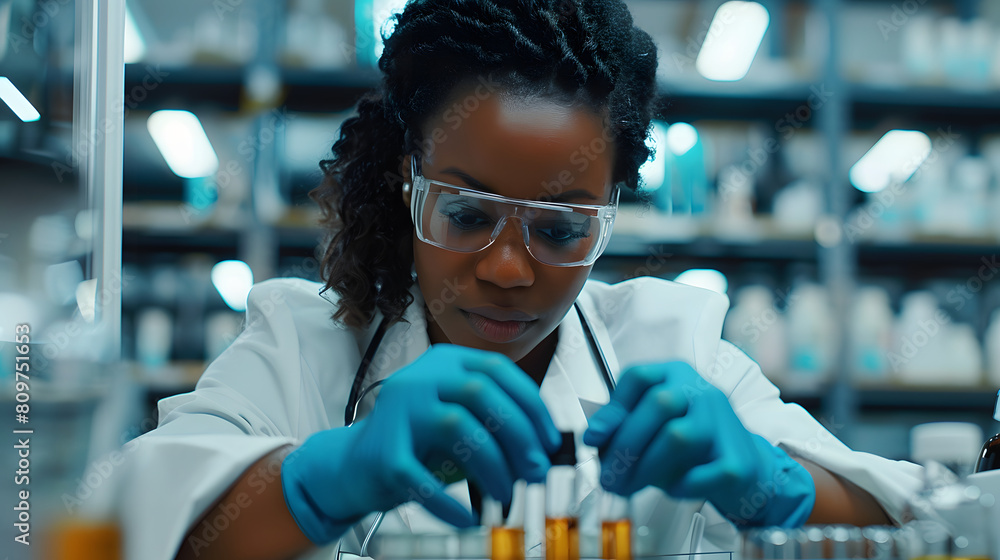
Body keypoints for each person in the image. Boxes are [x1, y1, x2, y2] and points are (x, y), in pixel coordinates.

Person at [115, 1, 924, 559]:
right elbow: (115, 523)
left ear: (608, 215)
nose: (507, 270)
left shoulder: (674, 348)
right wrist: (328, 477)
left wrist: (768, 482)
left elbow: (930, 527)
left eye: (560, 229)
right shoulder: (301, 345)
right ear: (409, 183)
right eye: (465, 215)